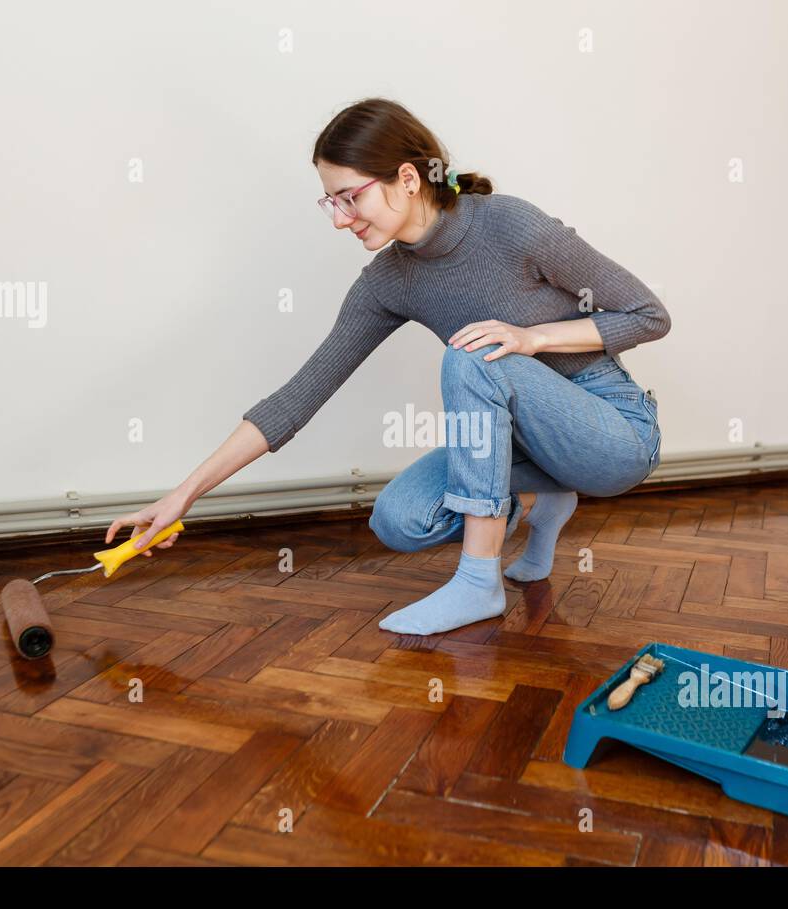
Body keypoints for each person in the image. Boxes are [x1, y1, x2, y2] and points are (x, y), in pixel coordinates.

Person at [105, 97, 669, 636]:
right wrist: (184, 495)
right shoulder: (387, 282)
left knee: (471, 353)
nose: (340, 219)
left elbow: (648, 315)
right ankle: (549, 502)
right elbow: (299, 396)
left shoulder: (512, 226)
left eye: (350, 196)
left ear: (406, 177)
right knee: (400, 519)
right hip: (522, 439)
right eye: (331, 202)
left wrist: (531, 338)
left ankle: (478, 582)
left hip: (614, 433)